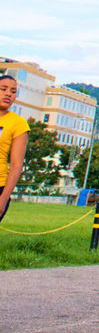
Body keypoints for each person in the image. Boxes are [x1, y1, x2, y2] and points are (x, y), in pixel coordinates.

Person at [0, 73, 29, 224]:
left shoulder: (18, 123)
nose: (8, 94)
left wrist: (3, 199)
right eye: (3, 89)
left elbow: (17, 165)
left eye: (13, 91)